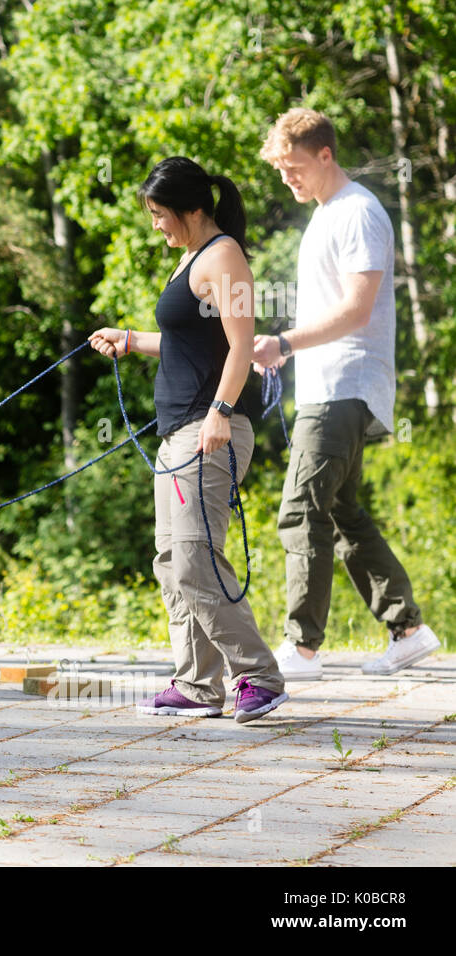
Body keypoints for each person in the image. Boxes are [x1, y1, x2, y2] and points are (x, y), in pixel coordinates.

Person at [90, 157, 287, 723]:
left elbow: (242, 341)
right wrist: (129, 339)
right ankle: (198, 685)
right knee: (172, 559)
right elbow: (187, 342)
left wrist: (221, 411)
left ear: (193, 209)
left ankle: (259, 677)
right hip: (177, 432)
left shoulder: (225, 256)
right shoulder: (190, 259)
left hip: (209, 430)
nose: (156, 225)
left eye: (160, 214)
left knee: (196, 562)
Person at [253, 108, 440, 679]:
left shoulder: (358, 212)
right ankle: (407, 629)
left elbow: (357, 310)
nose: (288, 179)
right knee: (341, 513)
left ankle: (302, 648)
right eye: (281, 170)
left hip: (344, 384)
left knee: (300, 510)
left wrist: (282, 342)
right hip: (330, 386)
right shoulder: (329, 214)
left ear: (325, 154)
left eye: (294, 167)